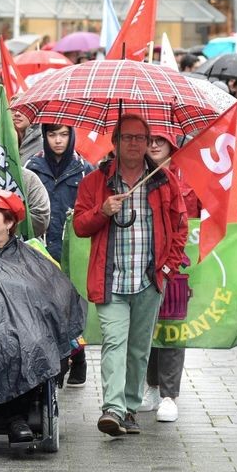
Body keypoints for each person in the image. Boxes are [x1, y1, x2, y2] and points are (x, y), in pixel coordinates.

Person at [72, 114, 188, 436]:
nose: (135, 144)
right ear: (115, 143)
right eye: (127, 138)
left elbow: (180, 227)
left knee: (139, 348)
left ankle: (131, 408)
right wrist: (102, 211)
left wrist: (166, 268)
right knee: (113, 341)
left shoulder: (165, 182)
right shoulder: (95, 182)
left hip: (149, 280)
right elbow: (80, 226)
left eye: (141, 138)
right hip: (111, 279)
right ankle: (113, 407)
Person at [0, 189, 85, 443]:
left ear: (9, 223)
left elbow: (57, 294)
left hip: (20, 332)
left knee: (29, 346)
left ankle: (15, 416)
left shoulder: (30, 259)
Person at [25, 123, 94, 385]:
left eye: (63, 134)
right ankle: (56, 363)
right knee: (47, 309)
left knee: (73, 309)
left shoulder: (83, 168)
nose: (58, 140)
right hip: (41, 248)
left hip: (72, 249)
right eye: (52, 134)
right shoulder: (32, 166)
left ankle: (78, 359)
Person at [139, 133, 199, 422]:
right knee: (147, 326)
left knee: (172, 328)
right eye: (149, 139)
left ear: (172, 144)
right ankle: (151, 386)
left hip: (178, 268)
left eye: (160, 140)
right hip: (144, 264)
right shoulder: (136, 175)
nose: (153, 145)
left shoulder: (190, 177)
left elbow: (211, 212)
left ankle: (169, 395)